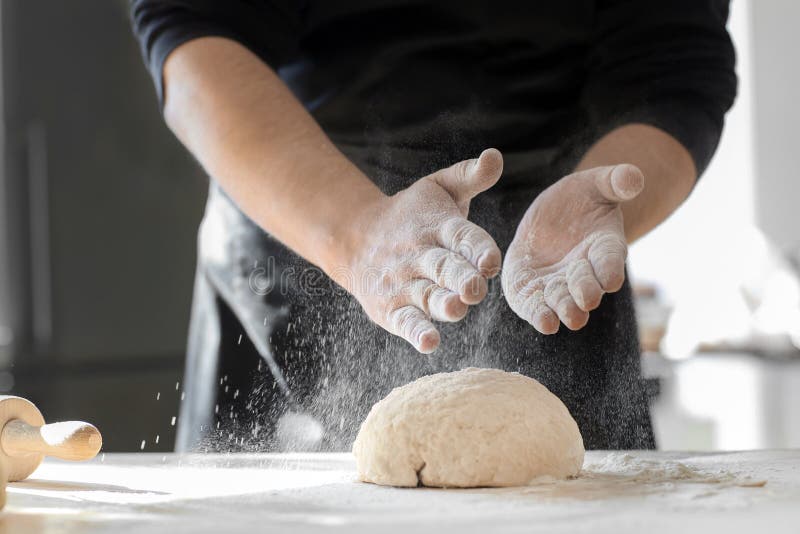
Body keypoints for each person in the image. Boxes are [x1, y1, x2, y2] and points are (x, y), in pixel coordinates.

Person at [130, 1, 736, 452]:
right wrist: (358, 230)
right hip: (305, 213)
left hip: (559, 252)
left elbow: (675, 65)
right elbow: (191, 30)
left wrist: (608, 194)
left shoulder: (566, 247)